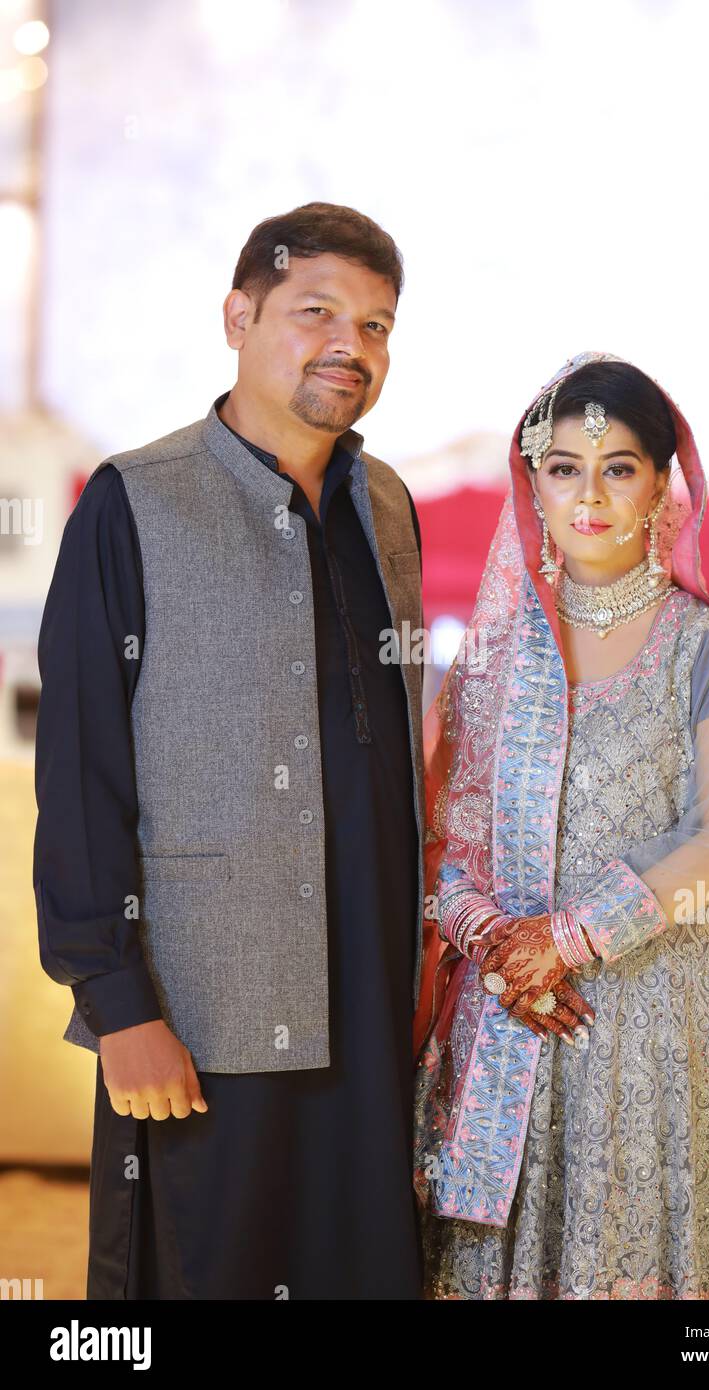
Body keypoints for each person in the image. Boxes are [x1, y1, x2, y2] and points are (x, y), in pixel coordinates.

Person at [33, 202, 426, 1300]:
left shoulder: (384, 504)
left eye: (378, 323)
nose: (350, 344)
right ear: (238, 316)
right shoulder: (133, 504)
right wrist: (114, 1000)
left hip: (370, 1002)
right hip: (204, 1015)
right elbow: (79, 774)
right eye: (315, 312)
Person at [413, 350, 709, 1300]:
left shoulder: (703, 646)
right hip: (513, 1013)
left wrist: (569, 938)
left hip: (658, 1019)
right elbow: (447, 844)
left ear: (661, 487)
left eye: (618, 467)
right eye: (563, 468)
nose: (589, 495)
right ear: (533, 482)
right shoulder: (494, 654)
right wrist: (499, 943)